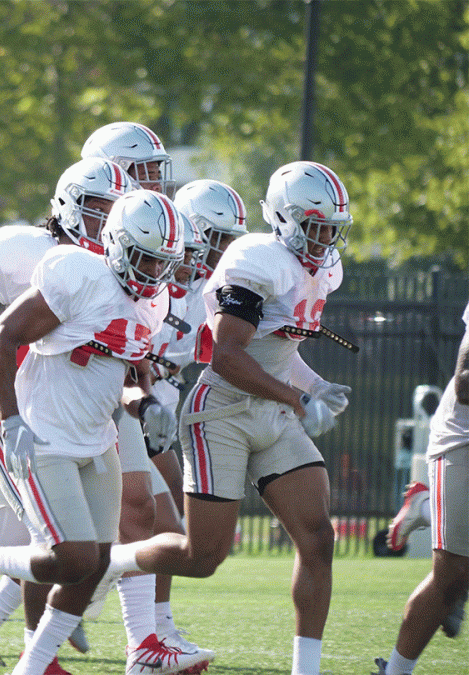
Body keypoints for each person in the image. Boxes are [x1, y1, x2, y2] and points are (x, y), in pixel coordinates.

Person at [101, 161, 354, 675]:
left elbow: (279, 349)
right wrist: (300, 399)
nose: (325, 240)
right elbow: (226, 356)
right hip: (222, 414)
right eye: (315, 227)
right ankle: (113, 563)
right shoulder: (256, 259)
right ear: (284, 220)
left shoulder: (323, 270)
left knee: (318, 537)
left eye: (333, 228)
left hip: (273, 412)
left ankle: (307, 670)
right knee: (203, 557)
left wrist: (314, 386)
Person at [0, 189, 202, 675]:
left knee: (95, 565)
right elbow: (0, 339)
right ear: (118, 245)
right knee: (73, 557)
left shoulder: (151, 301)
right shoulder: (78, 274)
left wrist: (145, 407)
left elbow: (123, 376)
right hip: (45, 438)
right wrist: (12, 419)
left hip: (98, 442)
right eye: (143, 258)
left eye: (162, 263)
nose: (152, 273)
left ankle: (31, 667)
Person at [0, 157, 132, 673]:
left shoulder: (127, 269)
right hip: (21, 416)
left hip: (80, 419)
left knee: (28, 543)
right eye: (97, 210)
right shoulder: (25, 251)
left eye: (116, 212)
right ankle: (23, 643)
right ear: (67, 206)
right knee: (48, 546)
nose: (107, 224)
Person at [82, 122, 214, 671]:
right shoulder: (74, 253)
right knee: (56, 542)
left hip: (124, 405)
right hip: (59, 406)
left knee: (145, 524)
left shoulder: (150, 249)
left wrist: (147, 385)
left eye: (158, 172)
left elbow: (138, 339)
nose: (154, 183)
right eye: (142, 172)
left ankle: (149, 639)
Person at [374, 299, 468, 675]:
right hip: (463, 439)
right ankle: (394, 672)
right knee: (450, 575)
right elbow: (464, 384)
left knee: (461, 569)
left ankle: (427, 509)